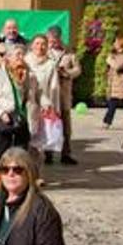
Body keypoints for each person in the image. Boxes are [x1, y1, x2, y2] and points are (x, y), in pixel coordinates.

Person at [0, 44, 41, 161]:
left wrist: (25, 80)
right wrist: (0, 113)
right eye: (17, 54)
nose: (21, 57)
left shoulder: (28, 74)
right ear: (8, 57)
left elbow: (32, 95)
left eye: (23, 54)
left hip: (22, 117)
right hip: (5, 118)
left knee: (22, 152)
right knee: (4, 152)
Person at [46, 26, 81, 165]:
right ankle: (48, 154)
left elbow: (77, 69)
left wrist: (66, 73)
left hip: (63, 93)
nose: (53, 43)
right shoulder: (44, 51)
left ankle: (66, 154)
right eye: (50, 40)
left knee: (66, 126)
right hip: (49, 94)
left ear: (60, 38)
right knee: (49, 124)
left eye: (55, 40)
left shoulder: (69, 52)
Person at [24, 35, 61, 164]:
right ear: (31, 45)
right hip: (27, 106)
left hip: (44, 106)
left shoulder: (51, 64)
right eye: (37, 43)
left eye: (43, 44)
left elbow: (54, 88)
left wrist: (54, 109)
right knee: (26, 140)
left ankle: (36, 171)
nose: (40, 47)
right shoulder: (25, 61)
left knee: (38, 144)